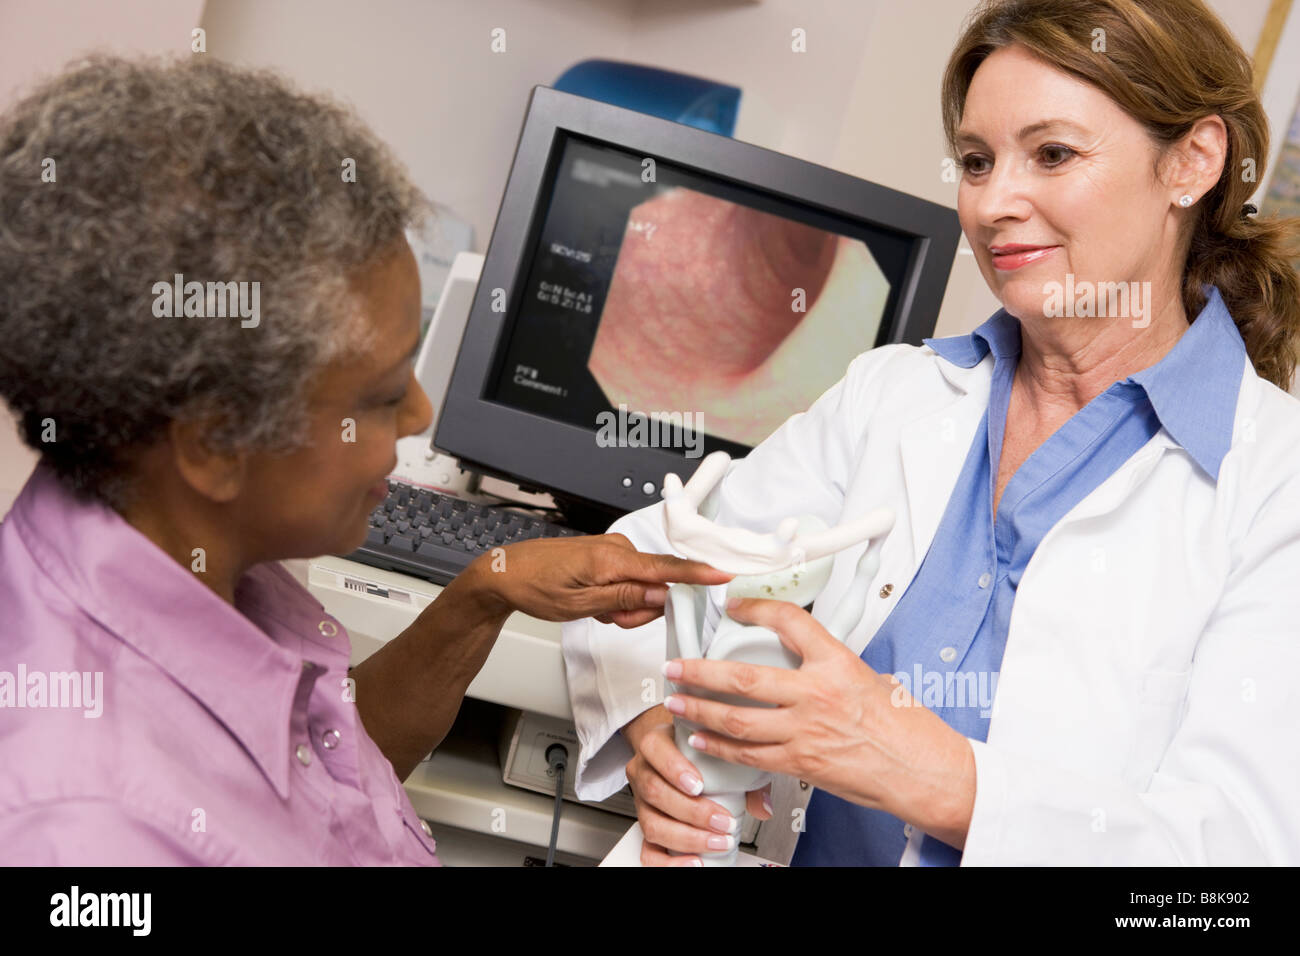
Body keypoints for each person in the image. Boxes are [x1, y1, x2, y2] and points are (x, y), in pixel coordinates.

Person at [561, 0, 1300, 865]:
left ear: (1193, 161)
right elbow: (642, 574)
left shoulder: (1272, 482)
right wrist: (652, 718)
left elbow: (1232, 876)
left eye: (1052, 154)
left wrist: (936, 775)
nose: (993, 204)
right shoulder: (898, 396)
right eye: (977, 162)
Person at [0, 54, 730, 865]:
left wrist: (485, 592)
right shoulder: (91, 828)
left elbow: (330, 784)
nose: (420, 414)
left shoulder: (188, 558)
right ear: (213, 440)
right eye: (383, 396)